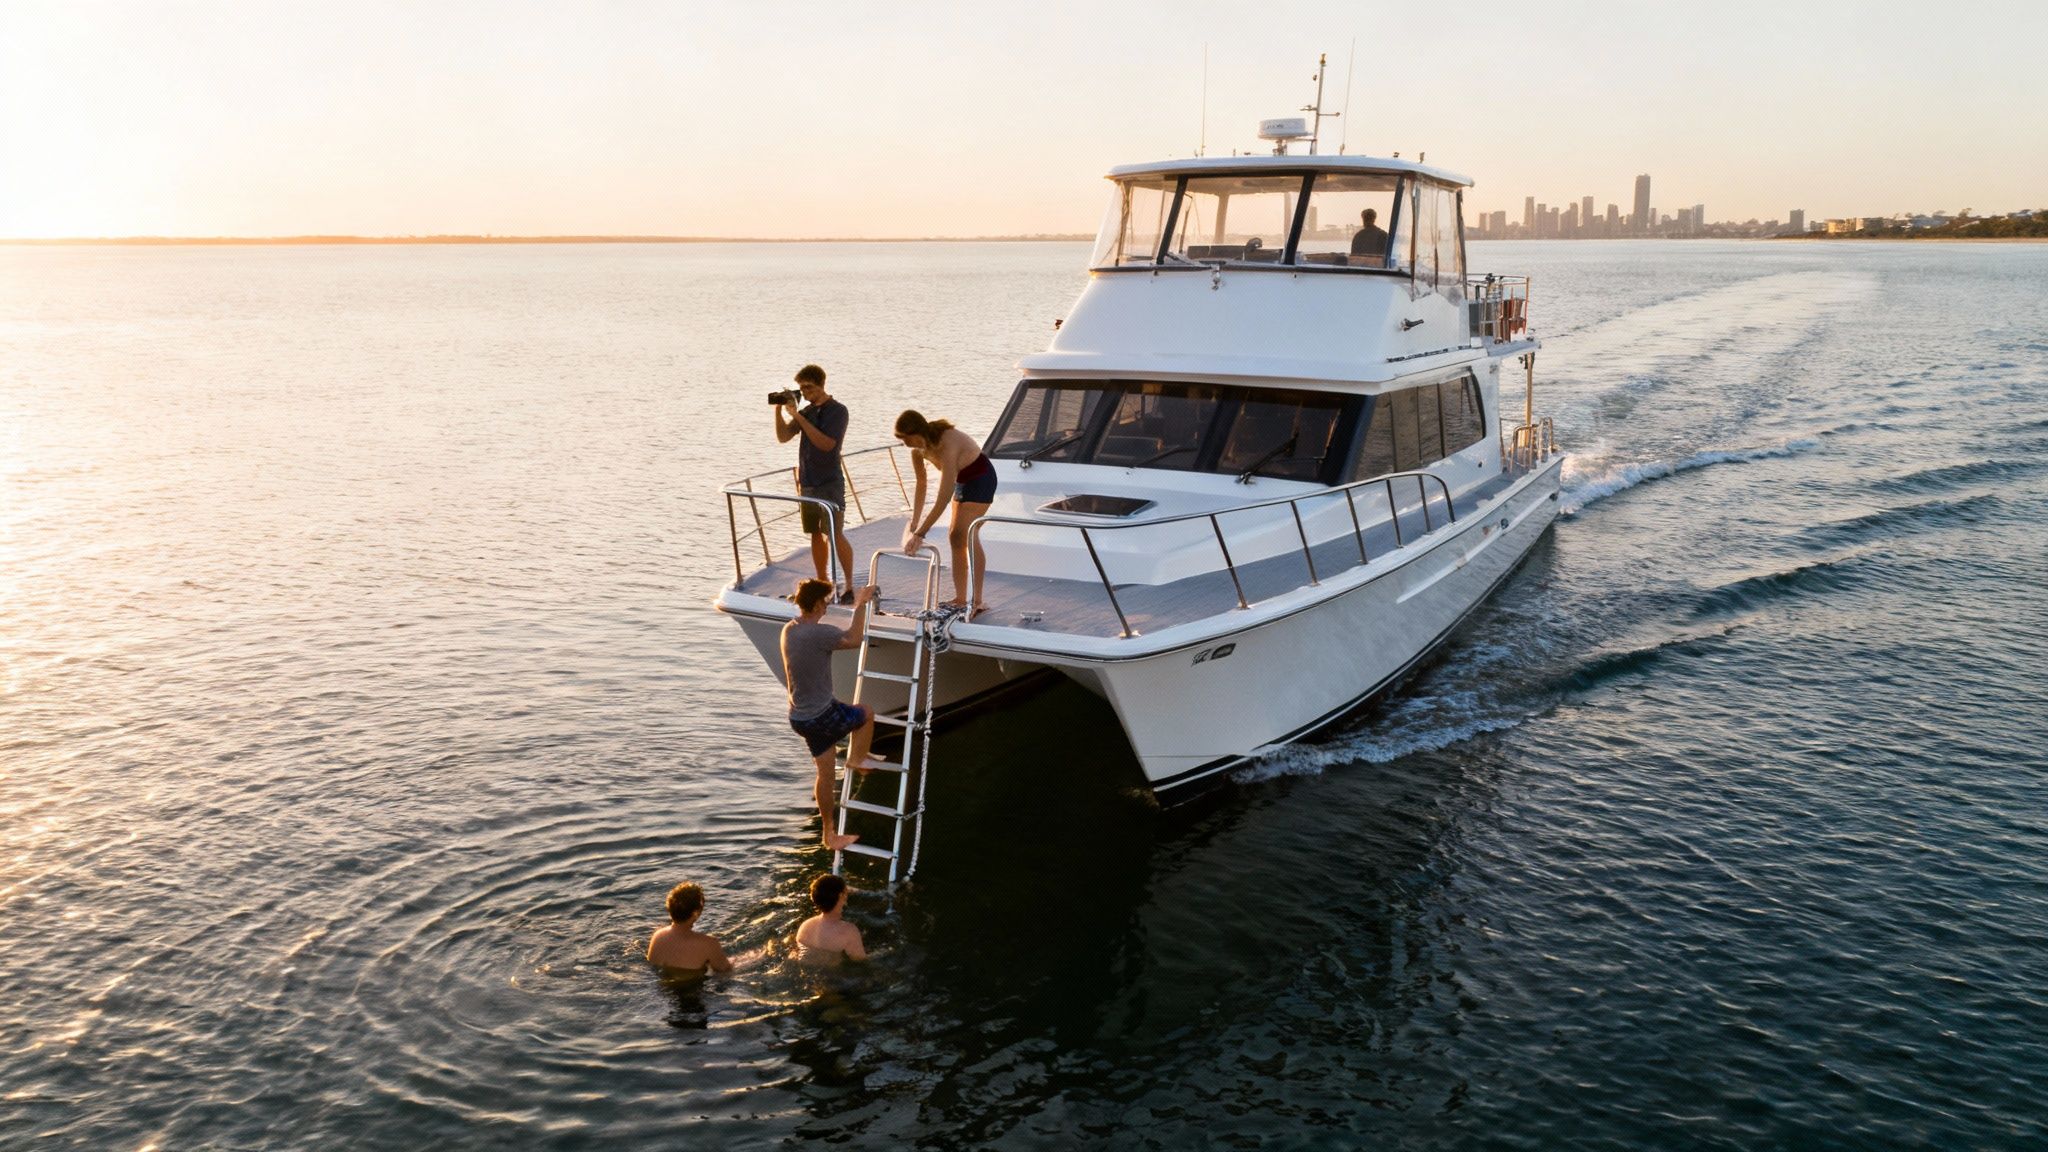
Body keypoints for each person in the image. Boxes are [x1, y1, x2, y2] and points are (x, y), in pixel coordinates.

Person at [783, 578, 879, 851]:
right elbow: (854, 639)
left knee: (825, 775)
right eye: (825, 602)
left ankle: (829, 835)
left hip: (800, 717)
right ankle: (857, 758)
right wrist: (861, 604)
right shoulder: (819, 633)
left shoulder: (789, 629)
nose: (827, 606)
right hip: (821, 715)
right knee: (866, 713)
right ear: (815, 605)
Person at [893, 409, 997, 617]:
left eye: (904, 438)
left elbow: (942, 498)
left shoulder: (946, 443)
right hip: (963, 480)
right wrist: (914, 522)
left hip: (981, 477)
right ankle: (961, 598)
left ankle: (977, 600)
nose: (904, 443)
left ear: (915, 433)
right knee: (955, 537)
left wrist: (921, 533)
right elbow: (921, 484)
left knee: (966, 534)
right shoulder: (918, 451)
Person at [775, 364, 856, 602]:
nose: (805, 392)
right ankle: (823, 583)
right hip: (808, 481)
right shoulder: (807, 412)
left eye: (808, 387)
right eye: (801, 388)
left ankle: (849, 585)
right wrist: (778, 411)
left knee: (835, 533)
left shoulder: (838, 411)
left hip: (829, 482)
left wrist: (798, 416)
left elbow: (826, 444)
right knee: (814, 533)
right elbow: (783, 437)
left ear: (821, 385)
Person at [646, 881, 735, 975]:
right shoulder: (709, 944)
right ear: (695, 913)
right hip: (694, 984)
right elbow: (726, 971)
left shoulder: (658, 935)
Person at [795, 873, 866, 966]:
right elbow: (860, 961)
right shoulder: (849, 931)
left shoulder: (805, 926)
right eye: (846, 891)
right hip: (833, 974)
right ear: (841, 896)